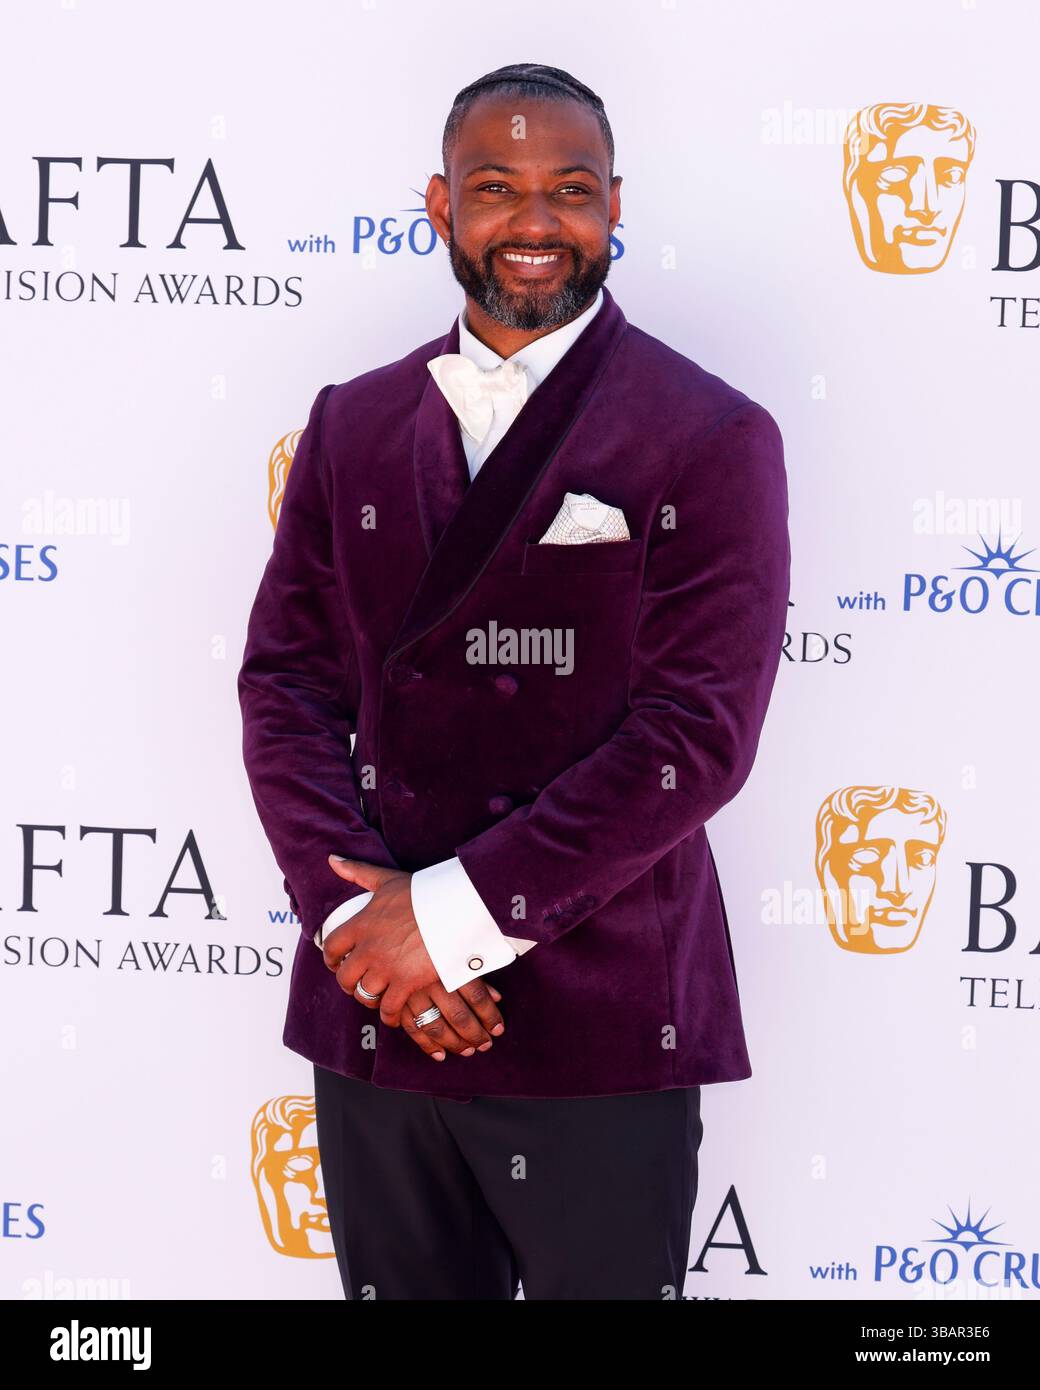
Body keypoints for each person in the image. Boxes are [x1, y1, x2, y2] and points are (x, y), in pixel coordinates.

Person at [237, 61, 791, 1300]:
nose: (534, 222)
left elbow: (693, 736)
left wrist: (436, 928)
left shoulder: (709, 434)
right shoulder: (351, 422)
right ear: (438, 207)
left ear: (613, 208)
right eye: (495, 188)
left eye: (569, 190)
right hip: (375, 1013)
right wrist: (360, 933)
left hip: (596, 1023)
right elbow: (284, 688)